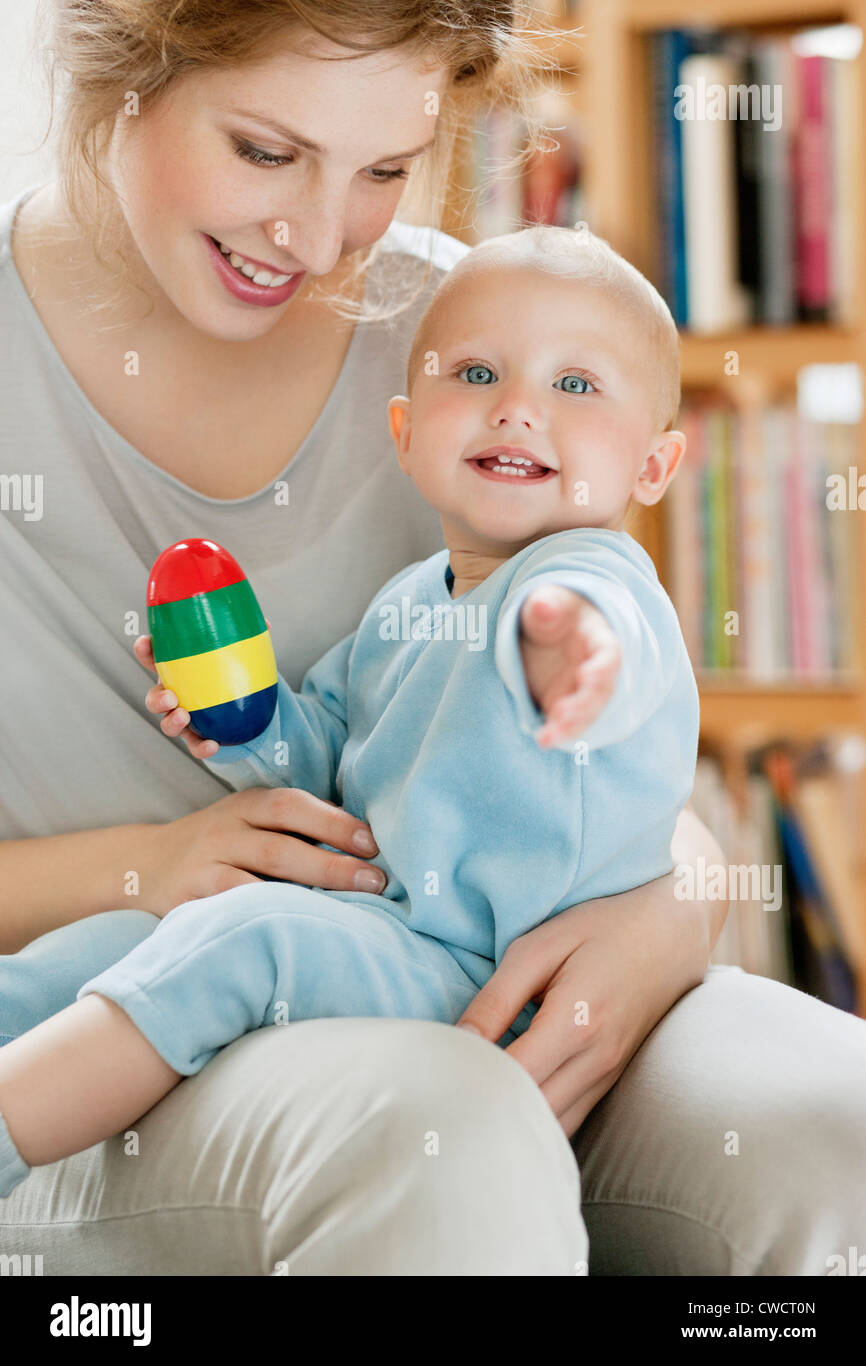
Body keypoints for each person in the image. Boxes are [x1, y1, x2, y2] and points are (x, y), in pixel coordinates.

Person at [0, 0, 863, 1276]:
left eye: (383, 166)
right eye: (264, 150)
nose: (315, 231)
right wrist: (147, 865)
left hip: (461, 968)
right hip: (107, 1051)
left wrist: (670, 909)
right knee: (441, 1137)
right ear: (109, 74)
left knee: (821, 1114)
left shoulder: (475, 333)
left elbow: (591, 711)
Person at [0, 221, 703, 1185]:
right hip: (391, 929)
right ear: (407, 437)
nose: (518, 411)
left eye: (574, 386)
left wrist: (567, 651)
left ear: (653, 469)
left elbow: (597, 636)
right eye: (477, 375)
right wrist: (243, 717)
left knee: (237, 937)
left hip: (490, 971)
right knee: (112, 941)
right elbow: (326, 754)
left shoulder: (594, 576)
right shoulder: (409, 604)